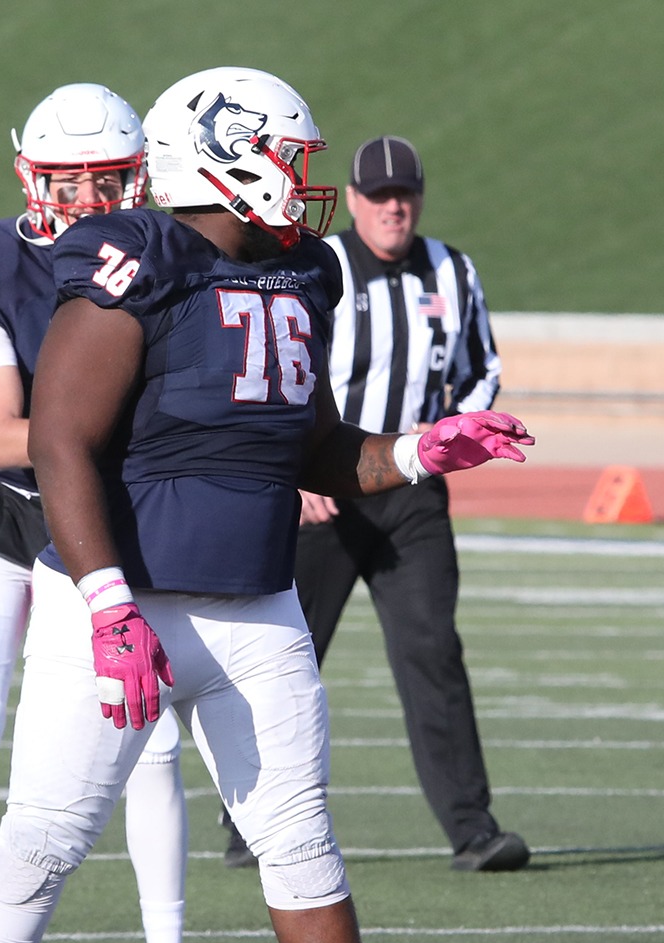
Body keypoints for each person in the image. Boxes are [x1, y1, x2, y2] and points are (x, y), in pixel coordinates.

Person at [0, 67, 532, 943]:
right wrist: (105, 602)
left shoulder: (302, 272)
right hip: (123, 601)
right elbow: (60, 439)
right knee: (47, 835)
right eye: (289, 156)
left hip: (257, 605)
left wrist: (420, 450)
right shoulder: (135, 255)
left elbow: (317, 449)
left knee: (299, 840)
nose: (301, 178)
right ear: (226, 155)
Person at [0, 82, 243, 943]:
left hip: (90, 512)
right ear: (31, 177)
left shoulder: (168, 257)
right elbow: (8, 429)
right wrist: (112, 432)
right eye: (69, 179)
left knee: (151, 739)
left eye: (107, 179)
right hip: (0, 508)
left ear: (140, 176)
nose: (90, 199)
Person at [220, 134, 528, 873]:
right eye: (380, 195)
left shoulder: (452, 269)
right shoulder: (312, 263)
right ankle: (250, 823)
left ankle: (473, 829)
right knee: (286, 653)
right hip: (323, 492)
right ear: (353, 199)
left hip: (411, 491)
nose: (394, 207)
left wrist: (449, 430)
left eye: (406, 194)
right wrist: (293, 471)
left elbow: (482, 367)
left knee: (432, 648)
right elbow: (274, 370)